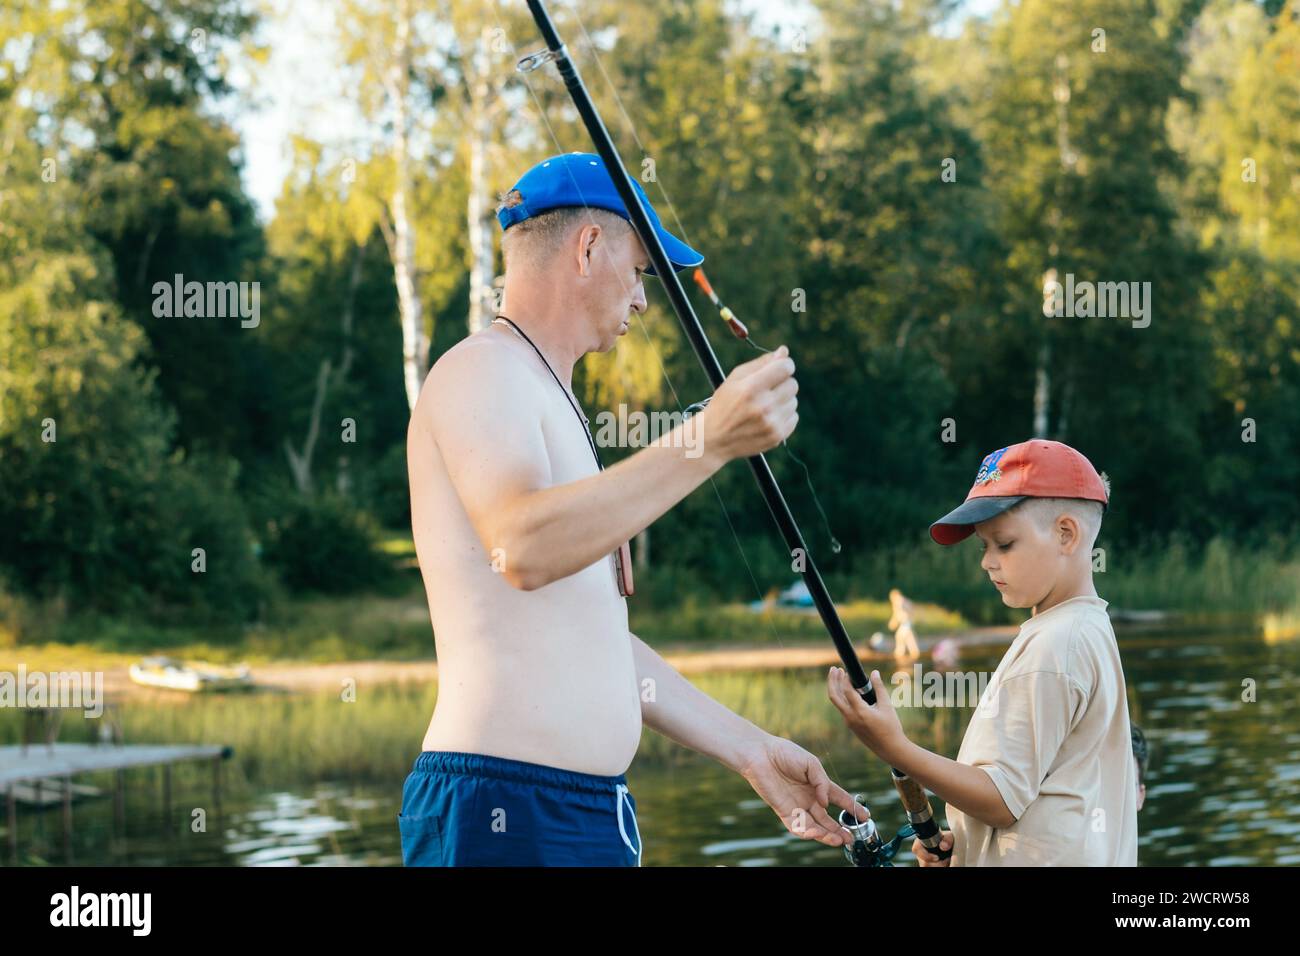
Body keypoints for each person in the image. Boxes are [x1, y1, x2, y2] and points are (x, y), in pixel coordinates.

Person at [400, 152, 862, 866]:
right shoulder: (480, 369)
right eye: (642, 270)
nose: (645, 300)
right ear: (588, 247)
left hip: (589, 811)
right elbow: (520, 546)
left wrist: (750, 751)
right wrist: (707, 442)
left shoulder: (549, 400)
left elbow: (594, 642)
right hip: (502, 808)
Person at [827, 440, 1138, 866]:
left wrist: (895, 748)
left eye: (1004, 544)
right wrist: (970, 846)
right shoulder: (1085, 629)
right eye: (983, 547)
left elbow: (1002, 799)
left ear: (1067, 534)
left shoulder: (1055, 644)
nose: (987, 563)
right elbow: (1038, 795)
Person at [888, 587, 920, 660]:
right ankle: (914, 652)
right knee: (909, 638)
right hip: (907, 622)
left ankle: (899, 653)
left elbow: (897, 613)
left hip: (906, 622)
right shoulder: (903, 600)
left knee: (899, 636)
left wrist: (893, 622)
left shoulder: (898, 600)